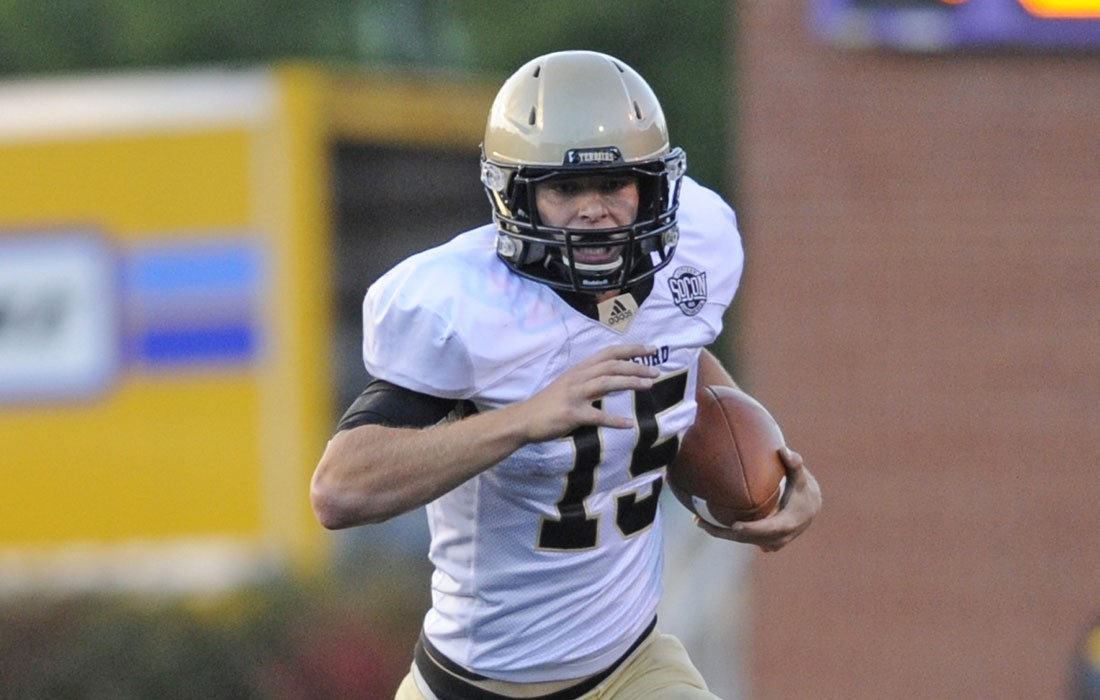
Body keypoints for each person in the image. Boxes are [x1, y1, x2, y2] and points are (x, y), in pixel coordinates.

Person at [311, 50, 822, 700]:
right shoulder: (465, 309)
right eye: (564, 188)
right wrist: (524, 419)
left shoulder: (695, 248)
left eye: (613, 185)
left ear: (653, 187)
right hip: (474, 687)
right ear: (516, 194)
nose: (593, 210)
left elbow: (681, 356)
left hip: (634, 669)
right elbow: (340, 488)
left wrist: (764, 476)